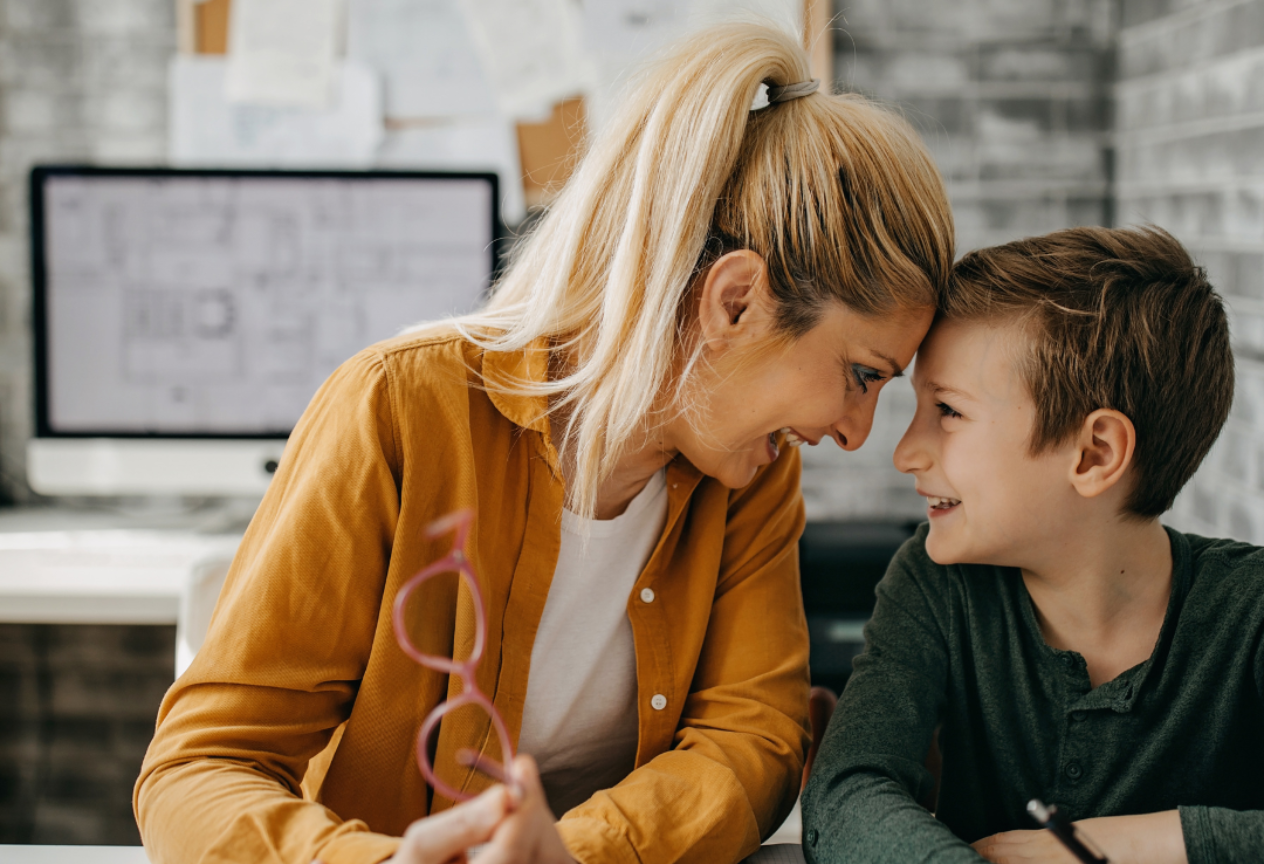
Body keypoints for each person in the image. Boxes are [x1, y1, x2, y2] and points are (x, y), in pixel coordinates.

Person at [135, 21, 954, 864]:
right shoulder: (398, 408)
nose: (857, 436)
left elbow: (756, 737)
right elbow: (201, 768)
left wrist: (567, 856)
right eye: (861, 374)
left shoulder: (750, 477)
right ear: (735, 302)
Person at [801, 226, 1264, 864]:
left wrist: (1113, 846)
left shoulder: (1249, 609)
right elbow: (848, 791)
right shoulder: (937, 586)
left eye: (950, 412)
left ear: (1094, 454)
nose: (906, 451)